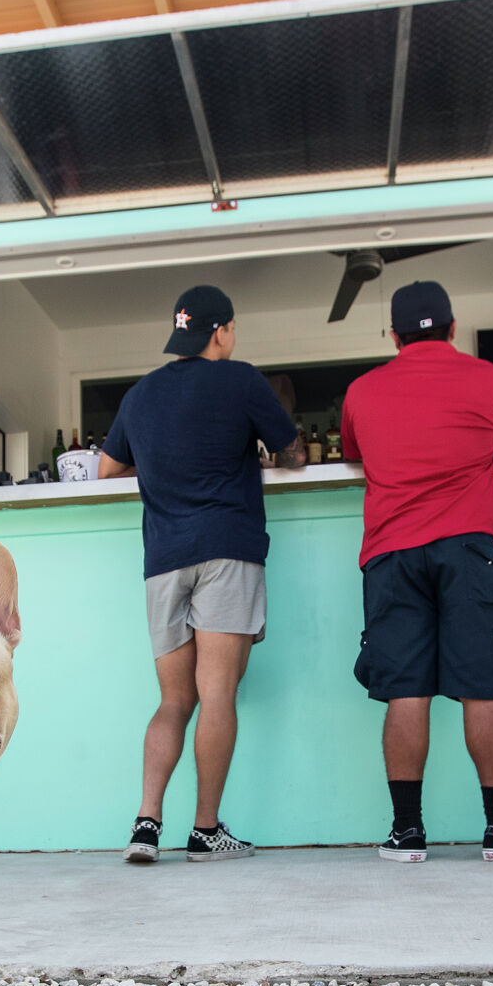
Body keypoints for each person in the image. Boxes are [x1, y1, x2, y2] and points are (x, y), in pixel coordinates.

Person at [340, 281, 493, 863]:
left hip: (390, 554)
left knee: (405, 690)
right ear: (454, 327)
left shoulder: (361, 391)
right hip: (468, 549)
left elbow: (354, 454)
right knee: (483, 686)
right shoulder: (492, 380)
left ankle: (406, 833)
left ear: (394, 334)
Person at [99, 286, 300, 863]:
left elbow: (109, 466)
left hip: (163, 560)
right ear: (221, 331)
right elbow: (292, 453)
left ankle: (145, 824)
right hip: (226, 549)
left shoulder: (140, 395)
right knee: (217, 697)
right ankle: (206, 831)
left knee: (172, 701)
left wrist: (165, 455)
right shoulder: (240, 380)